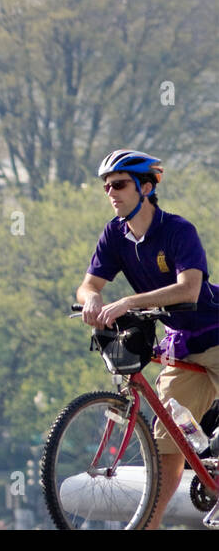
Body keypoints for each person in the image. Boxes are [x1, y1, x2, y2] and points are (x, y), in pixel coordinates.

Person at [78, 149, 219, 530]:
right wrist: (92, 300)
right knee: (167, 446)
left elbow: (189, 289)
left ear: (145, 187)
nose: (111, 192)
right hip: (183, 344)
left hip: (217, 334)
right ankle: (146, 529)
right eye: (107, 186)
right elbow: (88, 285)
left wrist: (126, 301)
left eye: (120, 184)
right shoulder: (114, 234)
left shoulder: (177, 230)